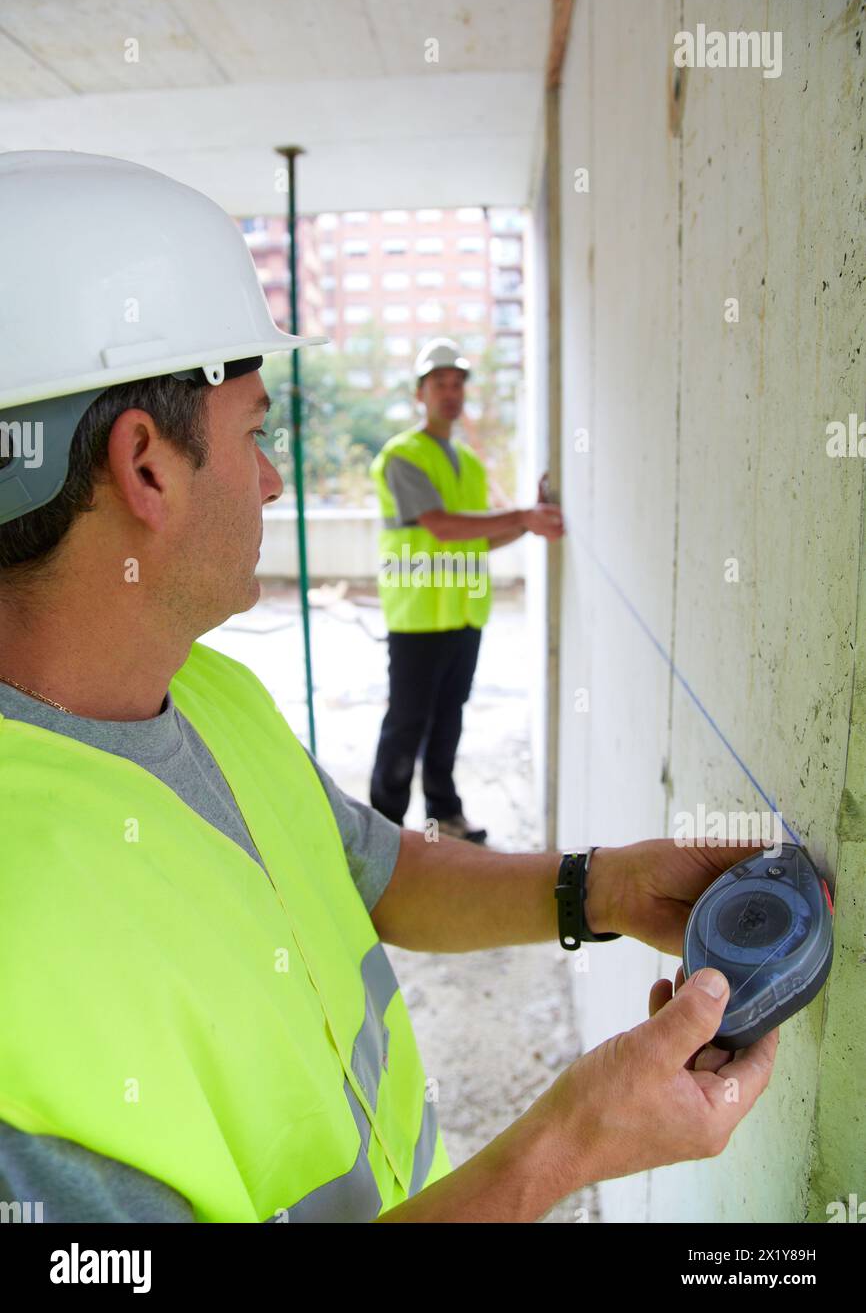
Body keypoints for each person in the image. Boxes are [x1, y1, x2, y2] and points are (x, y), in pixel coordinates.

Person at [0, 150, 777, 1224]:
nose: (271, 477)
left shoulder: (214, 694)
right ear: (145, 467)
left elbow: (379, 873)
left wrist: (601, 887)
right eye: (255, 434)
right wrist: (556, 1151)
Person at [369, 338, 565, 842]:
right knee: (407, 724)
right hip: (418, 616)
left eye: (457, 384)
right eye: (439, 384)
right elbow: (440, 526)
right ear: (420, 394)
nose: (450, 393)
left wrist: (527, 523)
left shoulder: (468, 463)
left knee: (447, 720)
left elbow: (478, 535)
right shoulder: (402, 456)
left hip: (464, 615)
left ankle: (443, 816)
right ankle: (383, 830)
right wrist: (522, 514)